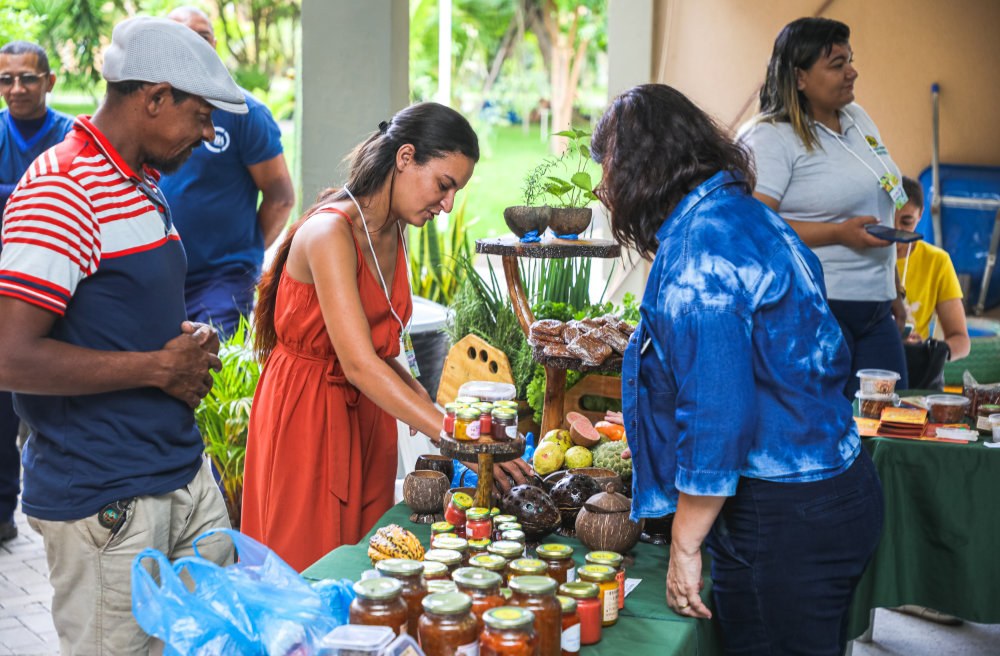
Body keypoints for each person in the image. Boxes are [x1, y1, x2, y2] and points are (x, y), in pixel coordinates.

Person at [592, 83, 883, 655]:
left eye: (608, 170)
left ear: (640, 169)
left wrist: (684, 543)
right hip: (837, 491)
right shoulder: (746, 215)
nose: (604, 189)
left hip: (783, 517)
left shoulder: (700, 250)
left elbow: (719, 412)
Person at [0, 17, 247, 654]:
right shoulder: (61, 189)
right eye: (199, 114)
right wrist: (157, 368)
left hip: (180, 475)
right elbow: (11, 355)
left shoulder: (140, 183)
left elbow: (115, 312)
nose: (209, 133)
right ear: (155, 98)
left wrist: (178, 339)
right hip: (106, 498)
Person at [243, 103, 532, 571]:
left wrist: (467, 438)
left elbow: (384, 350)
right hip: (308, 416)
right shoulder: (329, 232)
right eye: (444, 184)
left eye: (455, 191)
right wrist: (457, 437)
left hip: (366, 417)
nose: (448, 205)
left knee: (369, 566)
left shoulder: (393, 228)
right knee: (310, 571)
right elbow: (358, 363)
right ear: (405, 157)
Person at [740, 17, 908, 397]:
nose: (853, 72)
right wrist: (838, 233)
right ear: (799, 77)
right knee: (826, 434)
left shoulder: (857, 118)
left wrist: (893, 290)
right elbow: (754, 226)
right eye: (837, 65)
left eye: (850, 60)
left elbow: (879, 197)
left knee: (893, 423)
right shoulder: (771, 137)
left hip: (876, 306)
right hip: (813, 307)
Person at [160, 6, 295, 337]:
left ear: (215, 45)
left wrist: (243, 255)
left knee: (214, 371)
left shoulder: (245, 113)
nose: (192, 44)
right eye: (180, 36)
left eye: (202, 36)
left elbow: (280, 198)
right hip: (156, 276)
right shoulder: (151, 109)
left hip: (221, 280)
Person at [0, 40, 74, 543]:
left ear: (48, 81)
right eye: (6, 79)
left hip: (57, 292)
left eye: (27, 78)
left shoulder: (70, 137)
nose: (16, 89)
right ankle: (3, 512)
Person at [896, 176, 969, 373]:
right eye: (888, 219)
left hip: (914, 372)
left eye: (906, 221)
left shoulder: (937, 261)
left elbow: (961, 340)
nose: (896, 230)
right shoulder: (860, 258)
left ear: (920, 216)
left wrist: (927, 351)